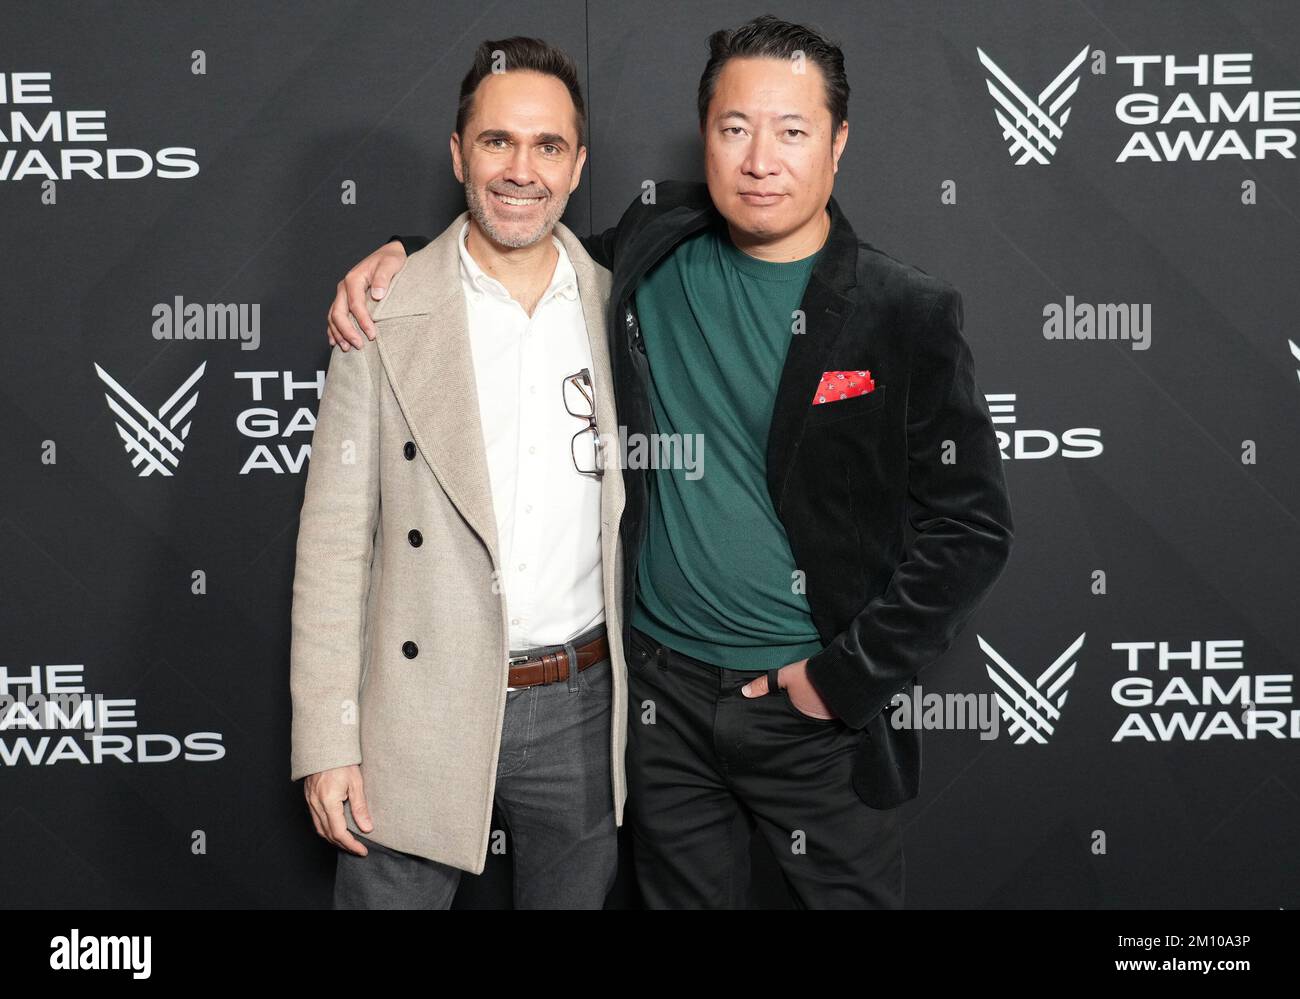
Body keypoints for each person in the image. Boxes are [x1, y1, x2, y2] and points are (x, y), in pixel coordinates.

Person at [325, 15, 1014, 909]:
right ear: (706, 137)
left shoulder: (903, 309)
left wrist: (843, 679)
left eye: (793, 131)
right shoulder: (656, 241)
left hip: (815, 718)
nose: (761, 158)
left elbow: (972, 526)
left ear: (838, 144)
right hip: (660, 712)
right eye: (735, 128)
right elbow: (511, 248)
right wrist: (399, 257)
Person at [290, 36, 627, 909]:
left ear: (579, 164)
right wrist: (329, 740)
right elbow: (333, 544)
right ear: (458, 153)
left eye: (548, 146)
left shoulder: (620, 304)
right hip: (416, 702)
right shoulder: (385, 308)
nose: (523, 169)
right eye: (497, 142)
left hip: (584, 709)